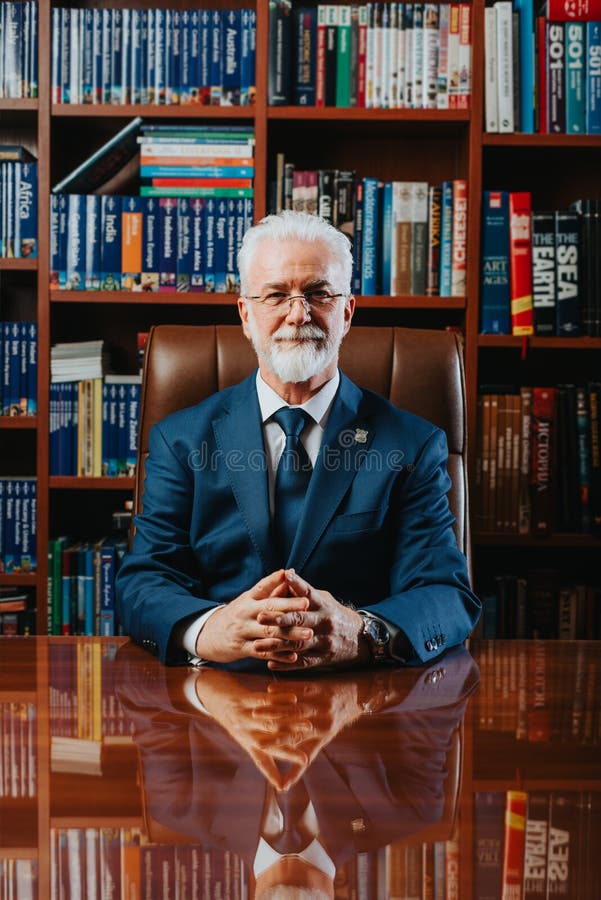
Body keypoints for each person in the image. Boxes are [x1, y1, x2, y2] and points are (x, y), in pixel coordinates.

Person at [116, 211, 480, 668]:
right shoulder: (181, 441)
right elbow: (142, 582)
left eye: (318, 293)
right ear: (246, 315)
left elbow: (446, 594)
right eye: (275, 295)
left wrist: (362, 632)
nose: (297, 314)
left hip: (360, 704)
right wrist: (208, 630)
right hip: (214, 698)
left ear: (346, 312)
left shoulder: (411, 444)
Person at [115, 641, 480, 898]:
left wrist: (209, 651)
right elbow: (446, 680)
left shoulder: (177, 804)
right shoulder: (410, 807)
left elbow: (136, 680)